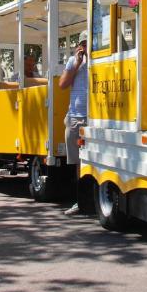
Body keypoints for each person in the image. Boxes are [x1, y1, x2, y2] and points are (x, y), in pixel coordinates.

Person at [59, 31, 87, 215]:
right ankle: (80, 202)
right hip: (76, 118)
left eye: (87, 43)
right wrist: (76, 63)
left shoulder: (100, 59)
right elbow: (62, 84)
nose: (84, 47)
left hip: (92, 117)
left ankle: (86, 201)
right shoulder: (73, 61)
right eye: (82, 44)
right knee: (77, 162)